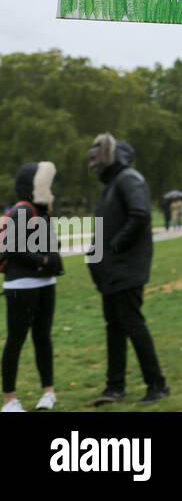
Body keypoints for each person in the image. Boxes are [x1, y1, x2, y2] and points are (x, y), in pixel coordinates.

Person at [85, 134, 169, 405]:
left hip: (125, 271)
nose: (93, 162)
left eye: (98, 155)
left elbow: (140, 216)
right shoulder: (111, 186)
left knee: (133, 326)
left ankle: (157, 385)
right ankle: (114, 387)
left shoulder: (129, 179)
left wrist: (113, 248)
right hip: (111, 272)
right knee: (115, 329)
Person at [2, 162, 63, 412]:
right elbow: (14, 248)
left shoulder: (41, 210)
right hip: (21, 284)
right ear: (33, 184)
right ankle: (10, 400)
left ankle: (48, 393)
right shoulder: (22, 210)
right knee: (15, 340)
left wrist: (52, 262)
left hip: (45, 283)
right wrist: (45, 261)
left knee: (42, 338)